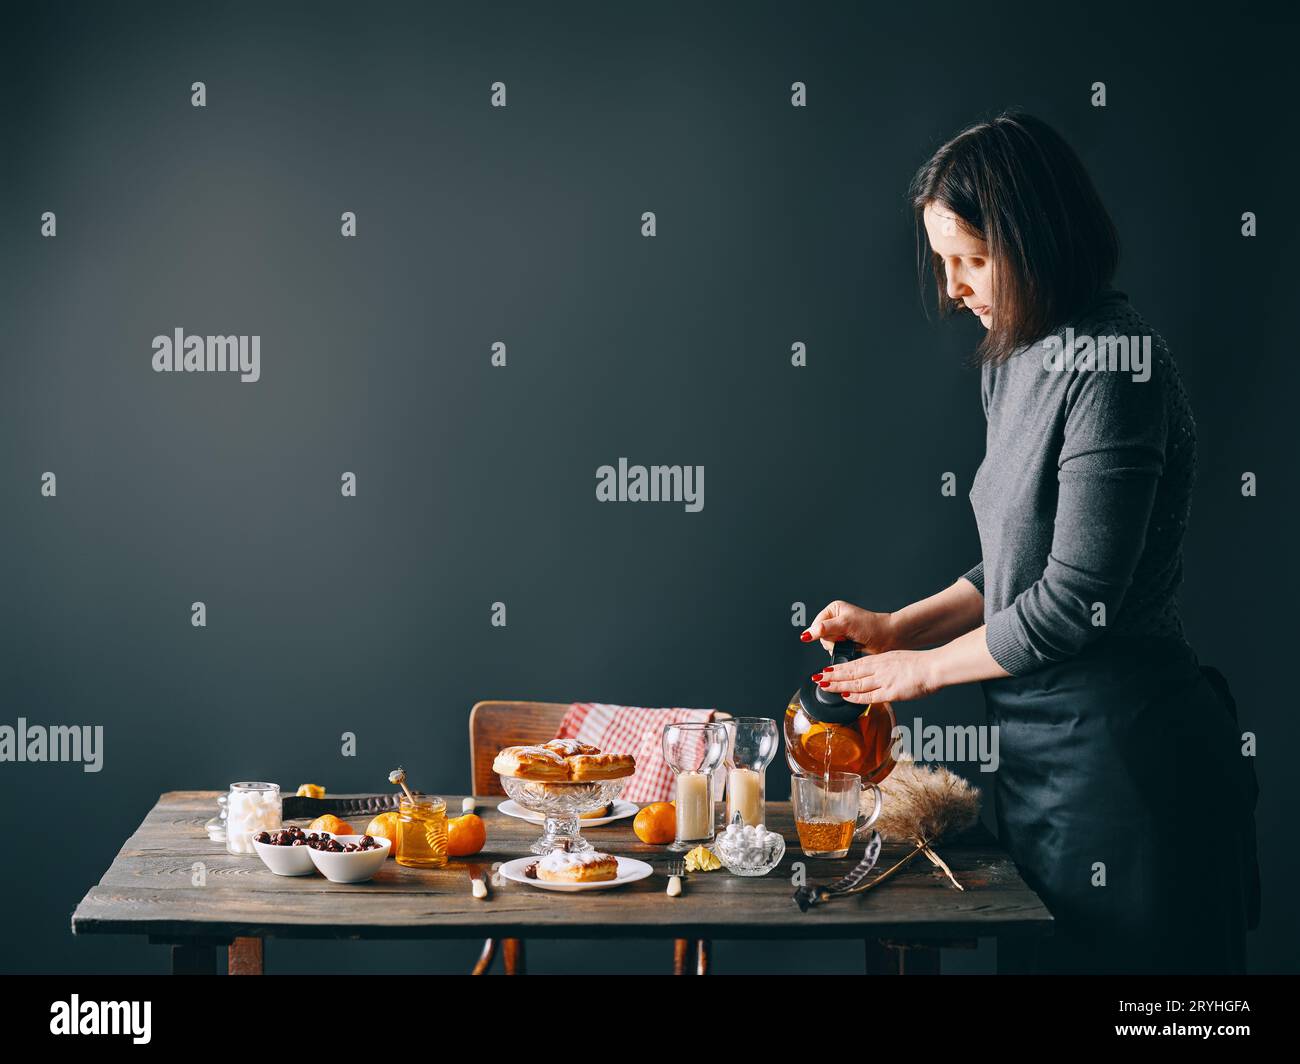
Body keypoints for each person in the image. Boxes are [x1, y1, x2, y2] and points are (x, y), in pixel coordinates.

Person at [800, 111, 1260, 974]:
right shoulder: (1014, 356)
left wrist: (921, 670)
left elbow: (1071, 603)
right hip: (1041, 756)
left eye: (973, 260)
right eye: (945, 262)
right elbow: (1015, 563)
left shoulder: (1116, 367)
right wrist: (901, 627)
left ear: (1040, 240)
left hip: (1129, 765)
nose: (955, 287)